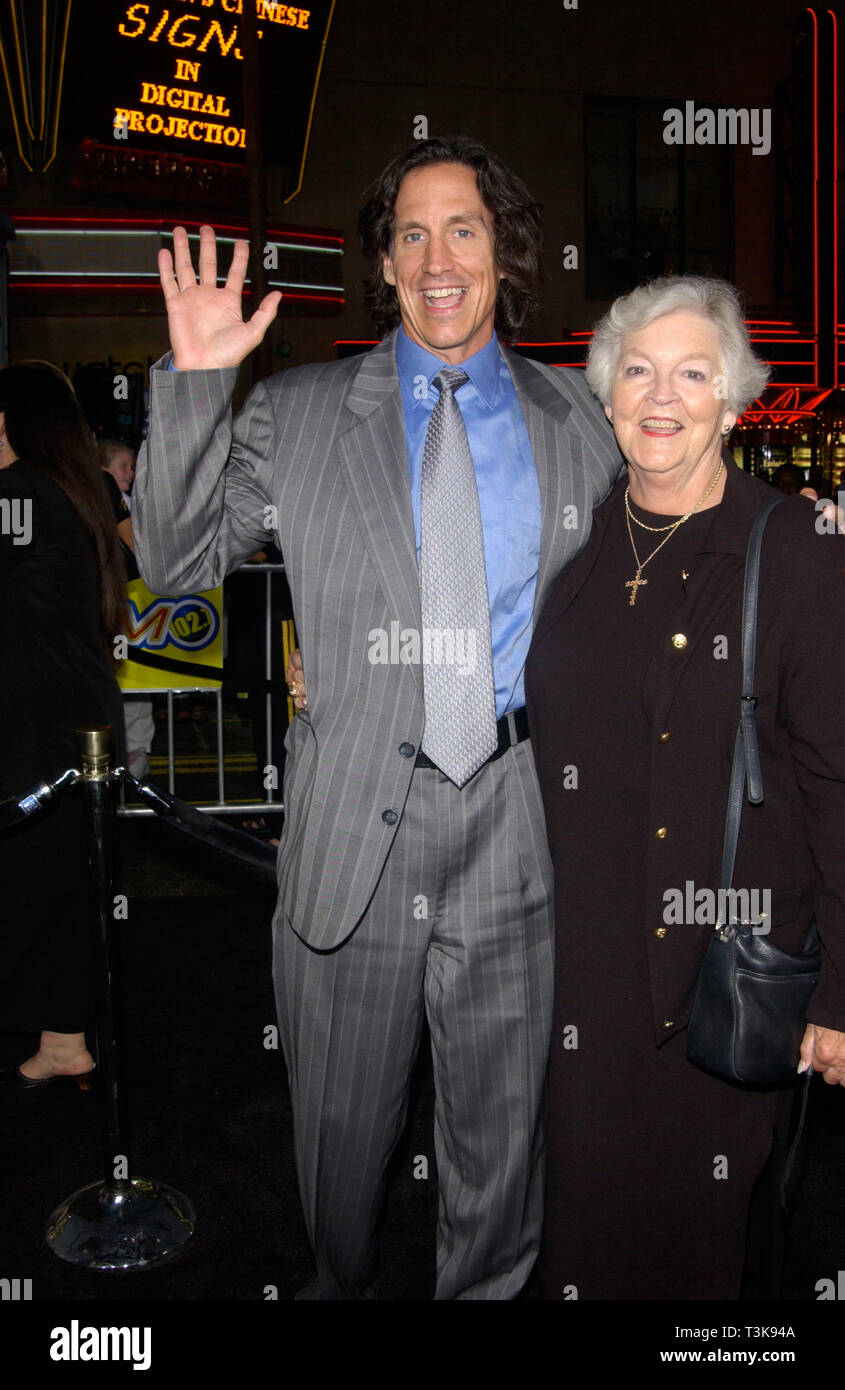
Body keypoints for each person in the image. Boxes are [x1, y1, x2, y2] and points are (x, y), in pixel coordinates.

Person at [132, 135, 623, 1299]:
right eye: (409, 234)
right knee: (338, 1154)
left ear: (504, 251)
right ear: (384, 266)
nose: (436, 256)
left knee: (500, 1158)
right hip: (354, 826)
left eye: (463, 228)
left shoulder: (580, 425)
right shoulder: (298, 415)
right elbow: (174, 563)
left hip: (518, 831)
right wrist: (196, 383)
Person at [524, 275, 845, 1300]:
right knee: (583, 1236)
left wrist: (839, 993)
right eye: (637, 370)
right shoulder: (576, 545)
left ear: (733, 398)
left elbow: (837, 778)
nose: (660, 395)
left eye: (691, 372)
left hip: (718, 973)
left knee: (697, 1251)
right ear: (607, 394)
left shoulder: (789, 546)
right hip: (578, 979)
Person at [0, 363, 126, 1087]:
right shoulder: (75, 491)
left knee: (28, 883)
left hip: (33, 727)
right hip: (72, 720)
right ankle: (62, 1039)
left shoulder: (19, 495)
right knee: (61, 887)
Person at [97, 439, 155, 780]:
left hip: (117, 601)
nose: (131, 474)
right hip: (109, 601)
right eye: (125, 466)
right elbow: (134, 541)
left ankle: (129, 757)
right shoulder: (99, 484)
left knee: (133, 678)